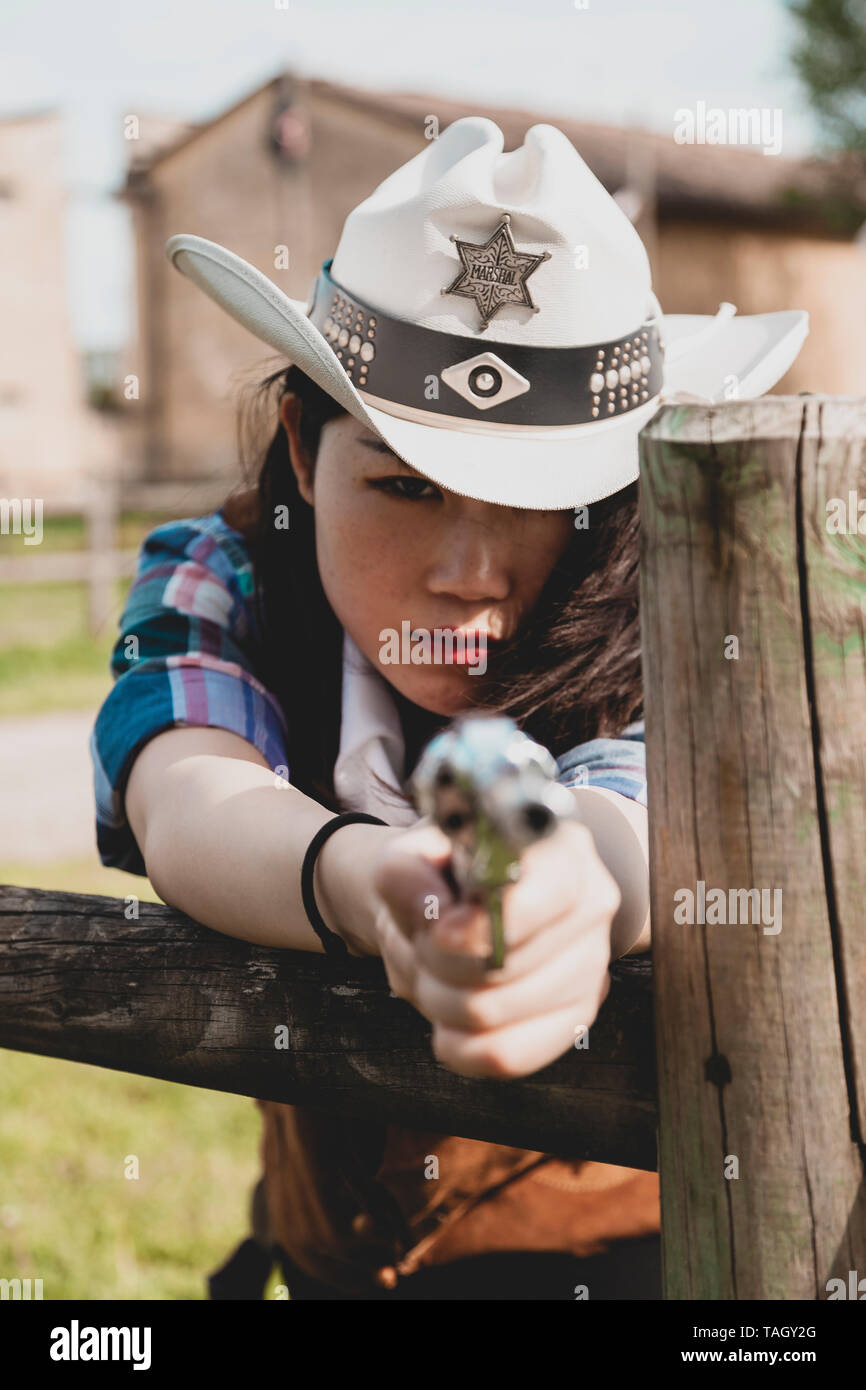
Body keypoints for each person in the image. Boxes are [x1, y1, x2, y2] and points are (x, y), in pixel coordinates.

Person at [90, 116, 807, 1300]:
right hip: (325, 1263)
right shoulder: (219, 572)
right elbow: (187, 788)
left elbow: (634, 812)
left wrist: (571, 892)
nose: (469, 571)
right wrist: (362, 882)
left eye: (541, 503)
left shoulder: (687, 606)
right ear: (298, 445)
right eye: (404, 483)